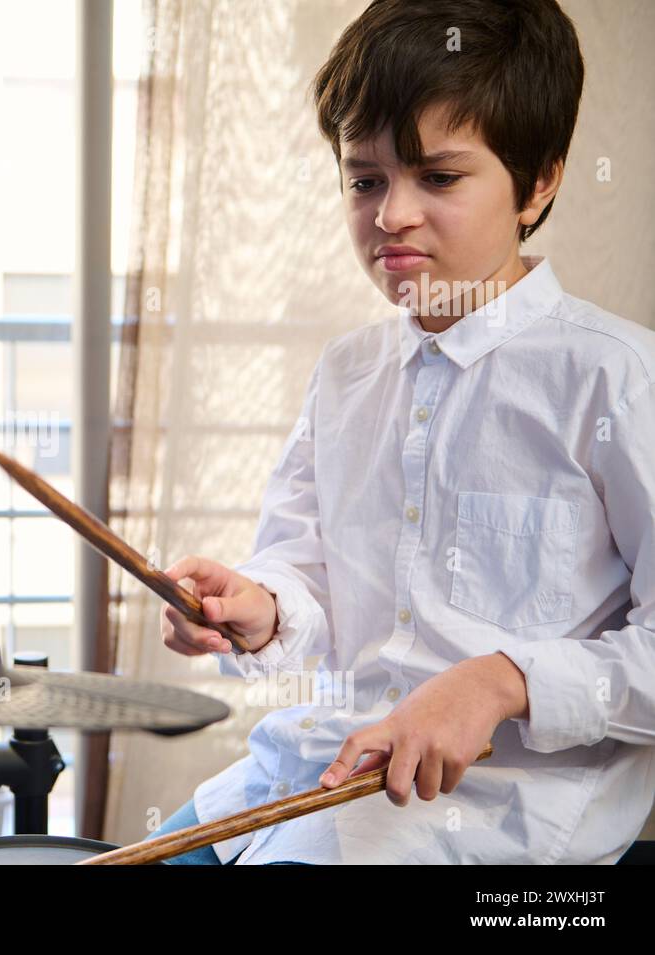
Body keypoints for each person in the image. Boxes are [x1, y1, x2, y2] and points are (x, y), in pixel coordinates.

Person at [151, 0, 655, 864]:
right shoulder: (346, 371)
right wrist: (261, 608)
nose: (391, 216)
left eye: (440, 178)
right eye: (366, 179)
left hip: (485, 825)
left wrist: (502, 681)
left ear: (539, 183)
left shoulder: (618, 378)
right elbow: (307, 573)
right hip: (293, 780)